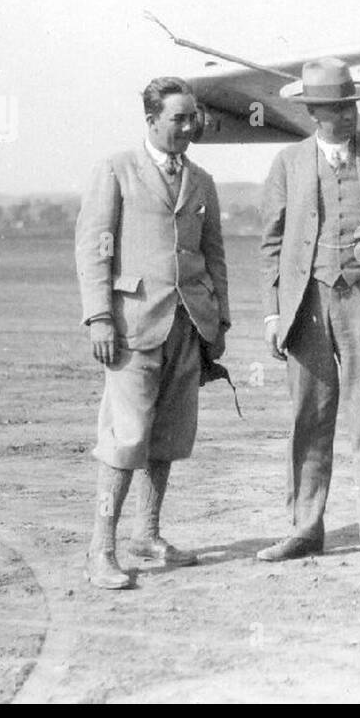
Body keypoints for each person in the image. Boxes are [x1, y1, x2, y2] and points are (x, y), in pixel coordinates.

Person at [257, 57, 360, 568]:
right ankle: (306, 528)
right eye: (334, 110)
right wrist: (272, 312)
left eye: (350, 107)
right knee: (310, 416)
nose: (347, 117)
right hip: (305, 304)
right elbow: (271, 243)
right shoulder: (288, 163)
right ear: (312, 112)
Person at [75, 76, 230, 589]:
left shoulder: (202, 181)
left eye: (193, 118)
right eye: (178, 118)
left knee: (168, 436)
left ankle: (148, 534)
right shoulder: (115, 171)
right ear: (151, 121)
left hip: (188, 325)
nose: (189, 127)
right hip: (131, 327)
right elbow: (93, 248)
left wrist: (219, 322)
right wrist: (99, 316)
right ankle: (101, 550)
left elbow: (215, 258)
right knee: (125, 440)